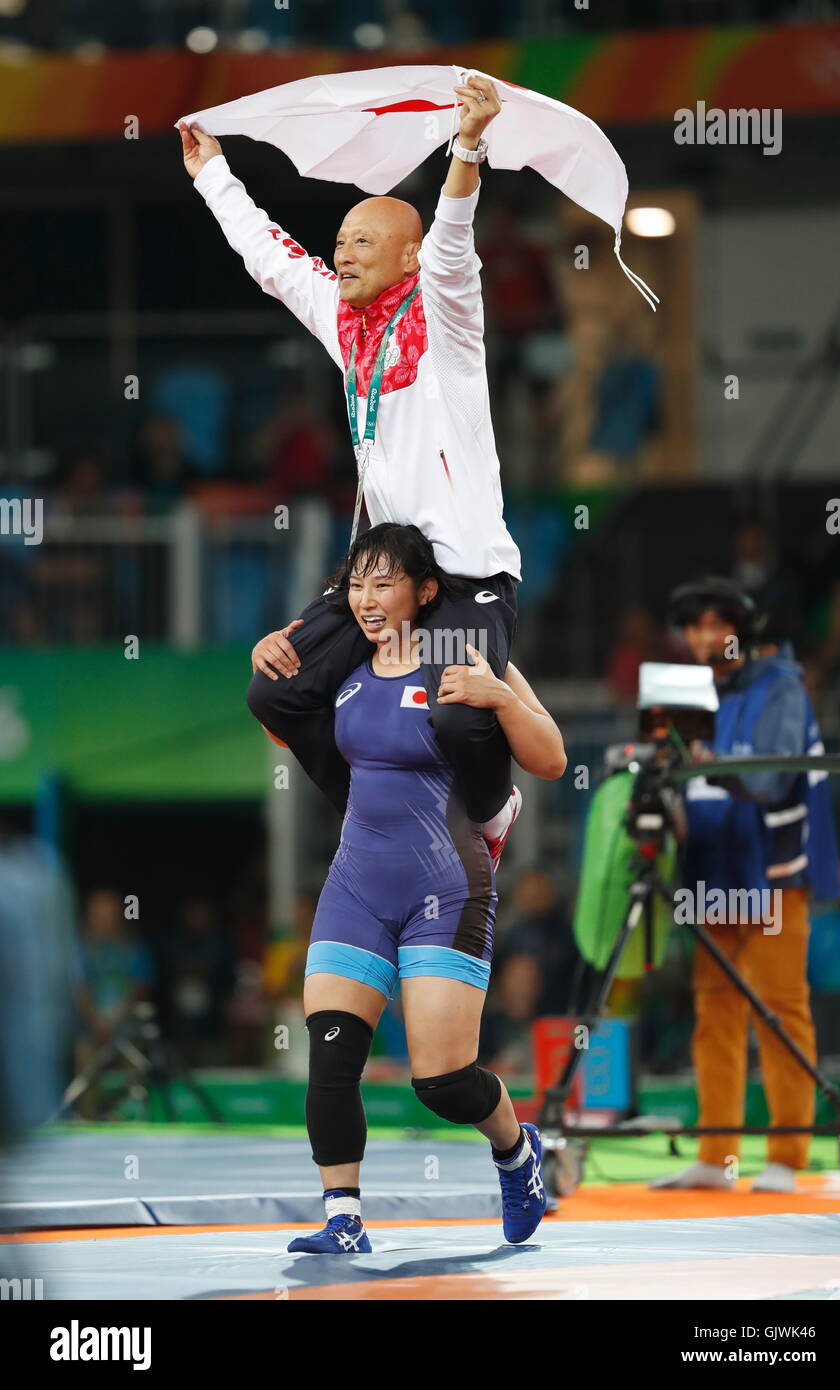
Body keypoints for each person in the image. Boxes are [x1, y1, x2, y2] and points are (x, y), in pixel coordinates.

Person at [179, 74, 524, 867]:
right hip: (377, 576)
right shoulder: (347, 322)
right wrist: (212, 175)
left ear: (408, 255)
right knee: (277, 689)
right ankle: (377, 808)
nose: (343, 251)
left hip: (465, 576)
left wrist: (466, 146)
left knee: (462, 719)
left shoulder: (448, 324)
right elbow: (271, 259)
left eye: (362, 240)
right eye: (340, 241)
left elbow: (453, 245)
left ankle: (492, 808)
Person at [284, 523, 566, 1252]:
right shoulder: (342, 659)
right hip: (356, 886)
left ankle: (516, 1151)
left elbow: (554, 758)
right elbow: (290, 727)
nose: (368, 599)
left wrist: (500, 696)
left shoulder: (462, 654)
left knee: (441, 1080)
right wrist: (269, 657)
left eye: (385, 583)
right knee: (333, 1053)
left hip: (446, 885)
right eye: (357, 583)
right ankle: (342, 1218)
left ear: (427, 591)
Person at [651, 578, 840, 1194]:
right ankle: (717, 1156)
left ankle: (789, 1154)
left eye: (716, 625)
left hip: (772, 871)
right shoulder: (694, 692)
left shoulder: (779, 684)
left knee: (780, 1009)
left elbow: (771, 781)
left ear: (742, 630)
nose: (705, 637)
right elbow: (687, 778)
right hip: (712, 867)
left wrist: (711, 766)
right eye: (695, 627)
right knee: (715, 1013)